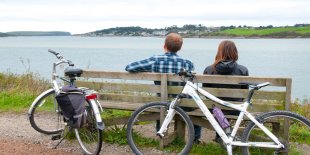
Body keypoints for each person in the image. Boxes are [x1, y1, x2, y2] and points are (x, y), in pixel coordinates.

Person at [125, 33, 202, 143]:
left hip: (161, 104)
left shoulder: (155, 60)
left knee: (161, 102)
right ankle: (195, 140)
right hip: (184, 105)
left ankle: (160, 133)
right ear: (180, 47)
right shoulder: (188, 63)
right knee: (193, 105)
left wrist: (148, 70)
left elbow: (129, 67)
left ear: (164, 45)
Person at [203, 40, 249, 143]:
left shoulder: (209, 70)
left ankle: (220, 137)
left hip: (214, 108)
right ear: (235, 52)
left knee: (215, 103)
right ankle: (224, 136)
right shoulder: (243, 70)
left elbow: (206, 92)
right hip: (235, 109)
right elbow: (245, 92)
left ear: (219, 52)